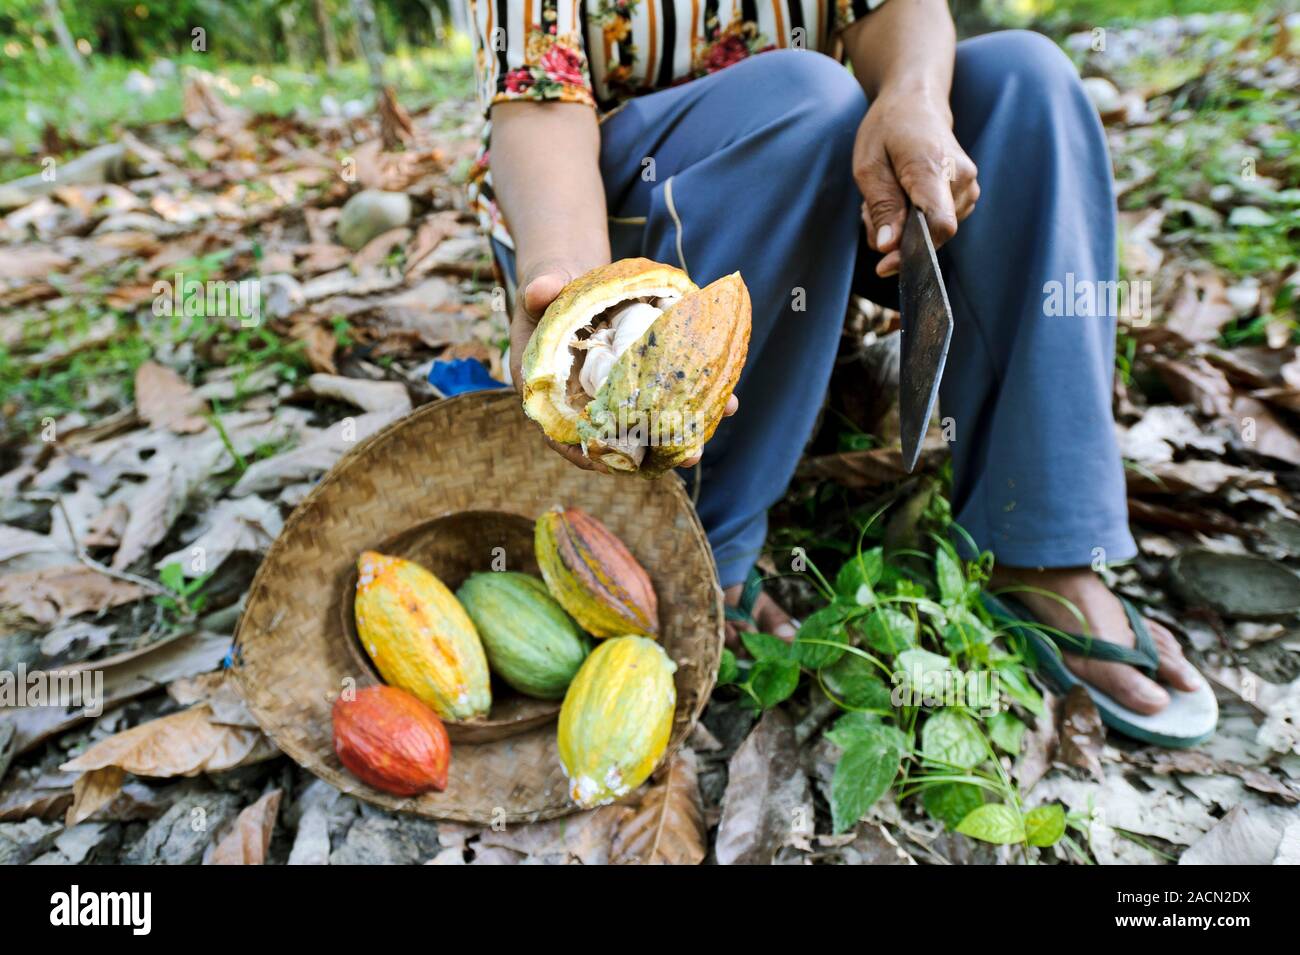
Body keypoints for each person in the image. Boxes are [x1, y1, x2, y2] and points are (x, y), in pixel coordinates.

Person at [466, 0, 1217, 746]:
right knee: (806, 97)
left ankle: (1043, 541)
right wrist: (570, 288)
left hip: (822, 168)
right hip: (606, 209)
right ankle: (700, 544)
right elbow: (540, 97)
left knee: (1028, 81)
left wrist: (910, 99)